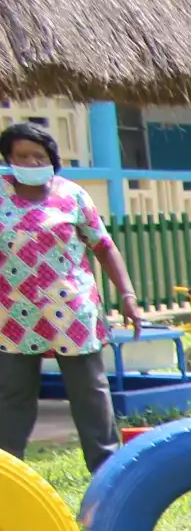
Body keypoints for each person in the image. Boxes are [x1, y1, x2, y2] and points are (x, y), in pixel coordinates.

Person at [0, 122, 145, 472]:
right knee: (12, 396)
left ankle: (108, 475)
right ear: (8, 159)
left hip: (72, 310)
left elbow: (104, 247)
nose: (32, 163)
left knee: (90, 394)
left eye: (40, 156)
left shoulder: (73, 195)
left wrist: (127, 295)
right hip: (13, 314)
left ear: (52, 159)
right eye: (23, 156)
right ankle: (7, 479)